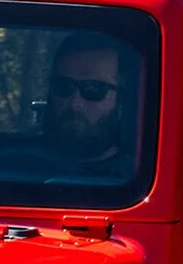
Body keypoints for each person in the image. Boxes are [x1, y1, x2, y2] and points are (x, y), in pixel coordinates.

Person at [46, 31, 137, 175]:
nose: (75, 103)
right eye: (63, 86)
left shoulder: (138, 179)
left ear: (121, 99)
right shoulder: (19, 167)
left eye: (93, 89)